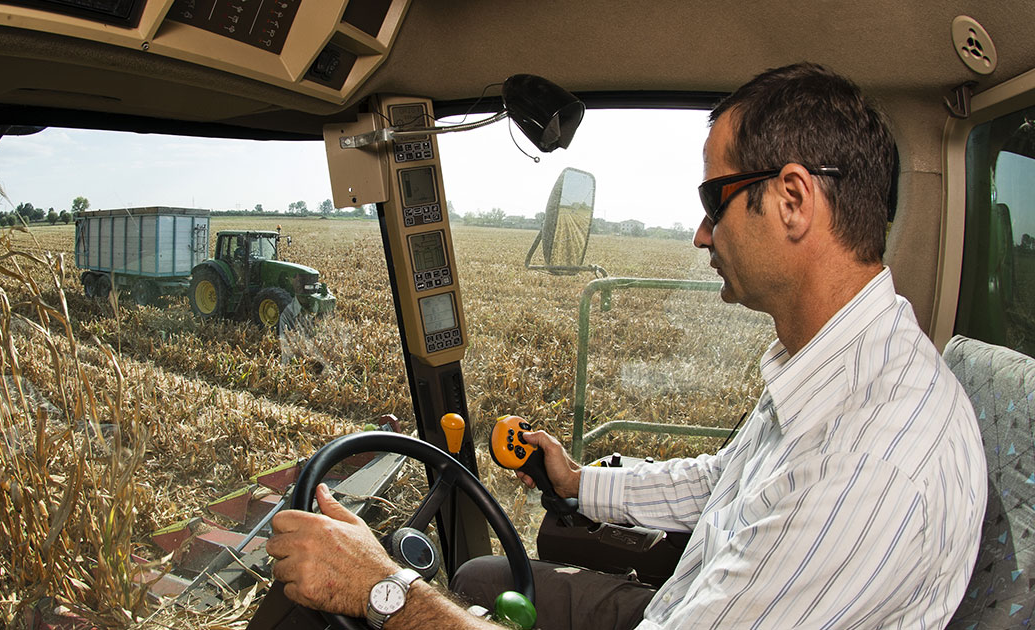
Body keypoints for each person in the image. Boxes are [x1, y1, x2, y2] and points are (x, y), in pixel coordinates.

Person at [265, 62, 987, 629]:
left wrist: (382, 591)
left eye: (715, 200)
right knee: (483, 581)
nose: (702, 234)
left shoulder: (870, 463)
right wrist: (579, 483)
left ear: (792, 200)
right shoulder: (840, 368)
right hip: (690, 604)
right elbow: (724, 483)